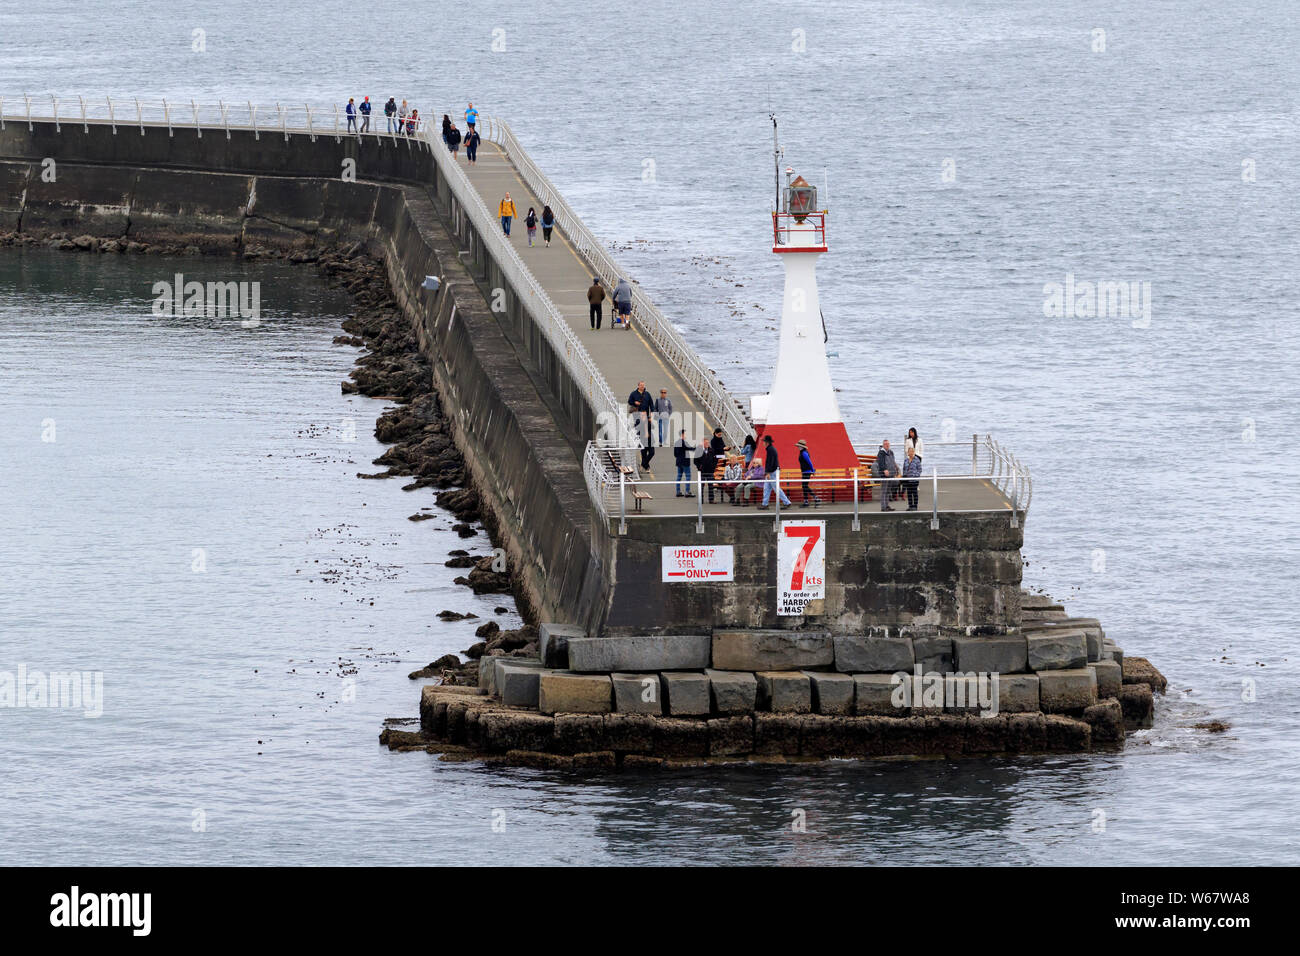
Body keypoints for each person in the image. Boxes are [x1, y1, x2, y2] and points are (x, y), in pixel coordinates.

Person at [758, 435, 791, 509]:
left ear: (766, 443)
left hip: (771, 472)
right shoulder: (771, 449)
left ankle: (787, 502)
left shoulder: (770, 450)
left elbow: (770, 462)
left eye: (764, 442)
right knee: (767, 488)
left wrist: (768, 472)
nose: (763, 443)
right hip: (772, 471)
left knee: (775, 488)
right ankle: (765, 504)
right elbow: (772, 462)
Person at [872, 439, 900, 511]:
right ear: (883, 445)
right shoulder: (881, 453)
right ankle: (883, 507)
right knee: (884, 491)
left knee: (888, 491)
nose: (887, 445)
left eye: (888, 444)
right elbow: (880, 463)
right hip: (885, 475)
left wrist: (896, 469)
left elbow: (893, 461)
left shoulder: (891, 452)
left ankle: (887, 506)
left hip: (891, 473)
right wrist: (884, 470)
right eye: (885, 444)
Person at [796, 438, 820, 507]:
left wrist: (812, 470)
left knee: (804, 486)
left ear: (802, 447)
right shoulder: (802, 452)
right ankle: (808, 500)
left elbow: (810, 462)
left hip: (807, 472)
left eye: (799, 446)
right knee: (804, 486)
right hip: (805, 472)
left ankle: (814, 498)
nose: (798, 447)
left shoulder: (804, 453)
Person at [695, 439, 719, 503]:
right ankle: (701, 500)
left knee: (711, 485)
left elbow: (715, 460)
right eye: (705, 443)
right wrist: (699, 467)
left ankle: (711, 500)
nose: (707, 444)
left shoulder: (711, 450)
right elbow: (695, 461)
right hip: (702, 471)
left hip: (710, 471)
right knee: (701, 486)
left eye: (707, 443)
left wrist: (713, 467)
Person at [673, 429, 694, 497]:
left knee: (679, 477)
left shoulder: (676, 443)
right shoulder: (684, 442)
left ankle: (678, 491)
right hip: (685, 462)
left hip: (679, 462)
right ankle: (687, 492)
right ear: (682, 435)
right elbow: (690, 448)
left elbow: (675, 454)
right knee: (688, 476)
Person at [902, 445, 923, 511]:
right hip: (907, 480)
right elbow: (904, 469)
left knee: (914, 493)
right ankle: (910, 506)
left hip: (914, 480)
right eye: (909, 451)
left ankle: (915, 506)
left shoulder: (917, 460)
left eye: (912, 451)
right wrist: (904, 476)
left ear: (914, 452)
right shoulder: (906, 460)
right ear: (908, 453)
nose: (911, 453)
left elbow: (920, 470)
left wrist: (916, 475)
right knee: (909, 493)